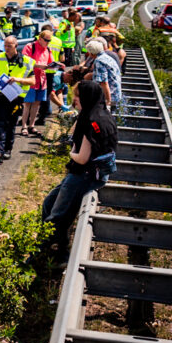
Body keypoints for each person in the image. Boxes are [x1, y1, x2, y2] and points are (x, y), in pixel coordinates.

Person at [43, 81, 118, 262]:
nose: (74, 100)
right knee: (49, 203)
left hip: (83, 175)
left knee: (57, 215)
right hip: (93, 173)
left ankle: (53, 253)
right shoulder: (102, 115)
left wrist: (71, 152)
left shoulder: (91, 122)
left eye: (77, 96)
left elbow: (82, 158)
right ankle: (55, 247)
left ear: (86, 97)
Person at [0, 35, 35, 163]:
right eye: (5, 45)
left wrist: (18, 79)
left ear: (16, 46)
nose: (6, 48)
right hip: (0, 96)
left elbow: (32, 81)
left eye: (9, 46)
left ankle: (7, 150)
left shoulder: (27, 61)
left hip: (16, 98)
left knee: (10, 124)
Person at [20, 29, 53, 136]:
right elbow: (24, 62)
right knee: (27, 104)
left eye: (49, 40)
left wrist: (56, 65)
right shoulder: (30, 47)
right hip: (30, 79)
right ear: (40, 38)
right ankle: (24, 126)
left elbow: (50, 62)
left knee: (36, 104)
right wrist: (38, 66)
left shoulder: (47, 49)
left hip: (42, 80)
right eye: (46, 40)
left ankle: (31, 125)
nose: (48, 42)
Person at [84, 38, 122, 110]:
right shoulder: (107, 58)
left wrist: (108, 101)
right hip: (115, 93)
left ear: (91, 53)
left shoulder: (99, 61)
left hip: (109, 95)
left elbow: (104, 82)